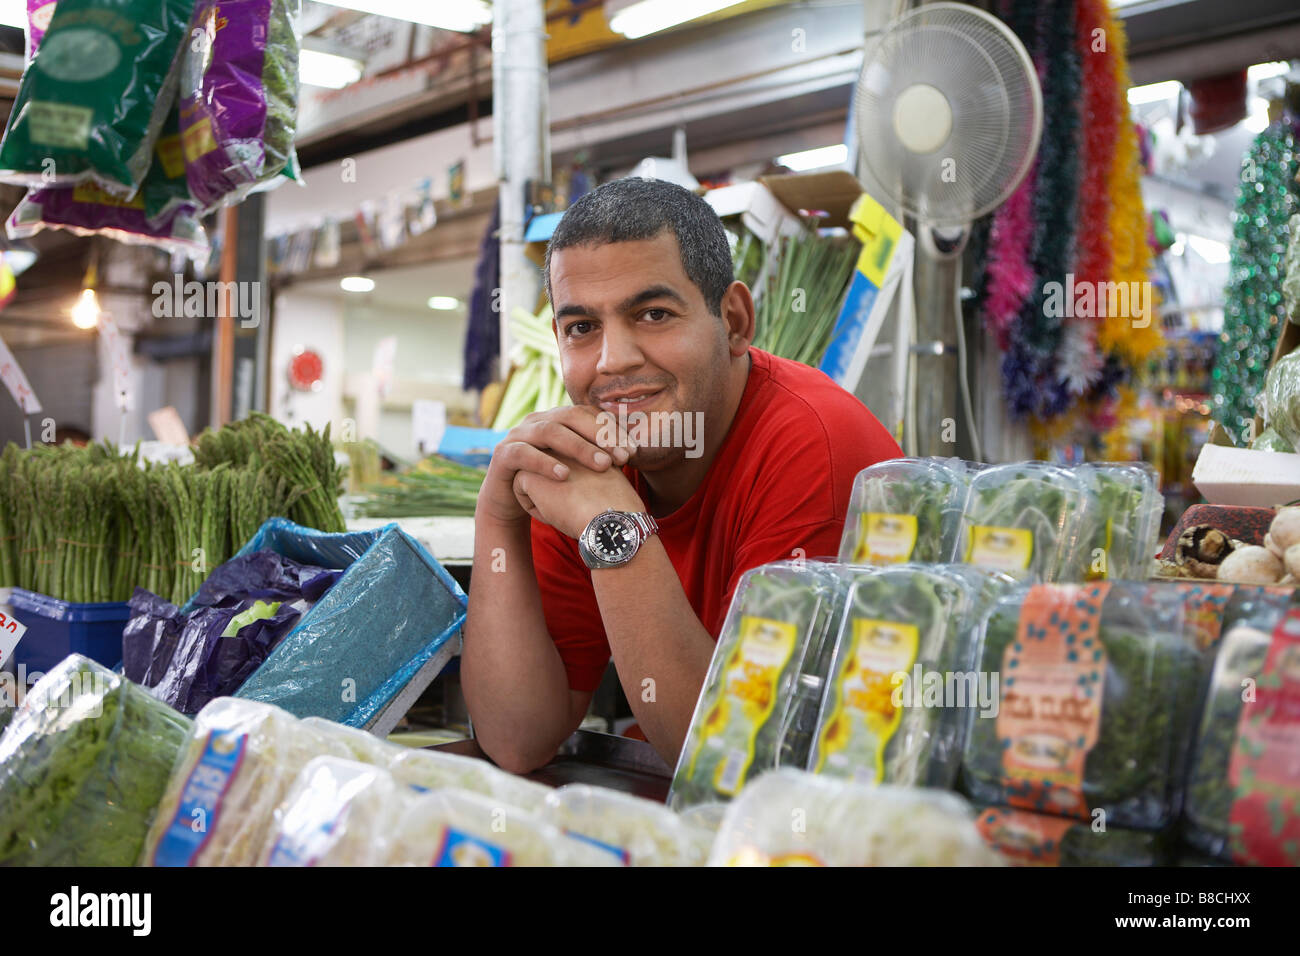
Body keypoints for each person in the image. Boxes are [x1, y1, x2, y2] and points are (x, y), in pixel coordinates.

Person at [462, 177, 902, 773]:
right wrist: (498, 518)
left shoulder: (815, 447)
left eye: (653, 314)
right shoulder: (587, 461)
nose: (613, 360)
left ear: (735, 322)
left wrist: (616, 530)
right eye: (581, 327)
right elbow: (517, 737)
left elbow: (729, 758)